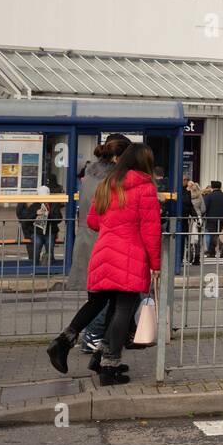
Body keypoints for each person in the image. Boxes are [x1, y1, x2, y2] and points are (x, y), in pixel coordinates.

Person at [46, 143, 162, 385]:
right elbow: (150, 230)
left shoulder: (106, 184)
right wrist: (156, 264)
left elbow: (93, 221)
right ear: (143, 163)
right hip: (130, 253)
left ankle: (64, 341)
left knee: (98, 301)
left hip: (104, 252)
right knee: (124, 307)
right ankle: (109, 365)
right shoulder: (145, 187)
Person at [69, 135, 131, 353]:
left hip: (89, 238)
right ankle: (94, 339)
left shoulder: (90, 173)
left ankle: (81, 338)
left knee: (99, 296)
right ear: (117, 157)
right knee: (112, 297)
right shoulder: (112, 181)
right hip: (105, 240)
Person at [201, 180, 223, 259]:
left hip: (211, 218)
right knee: (216, 234)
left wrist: (202, 216)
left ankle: (221, 246)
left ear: (212, 187)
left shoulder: (209, 196)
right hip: (221, 218)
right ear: (220, 187)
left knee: (213, 235)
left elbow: (204, 208)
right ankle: (211, 252)